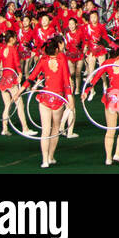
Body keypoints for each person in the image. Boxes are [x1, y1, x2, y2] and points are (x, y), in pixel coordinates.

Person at [25, 37, 73, 168]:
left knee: (45, 130)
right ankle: (50, 157)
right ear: (56, 49)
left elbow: (31, 77)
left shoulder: (43, 60)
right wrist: (70, 98)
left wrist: (20, 91)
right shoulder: (62, 60)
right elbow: (66, 82)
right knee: (55, 128)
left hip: (46, 97)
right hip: (57, 98)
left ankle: (45, 159)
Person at [85, 40, 119, 165]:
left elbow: (95, 77)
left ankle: (108, 158)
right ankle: (117, 154)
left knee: (110, 129)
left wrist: (86, 91)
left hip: (112, 97)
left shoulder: (107, 63)